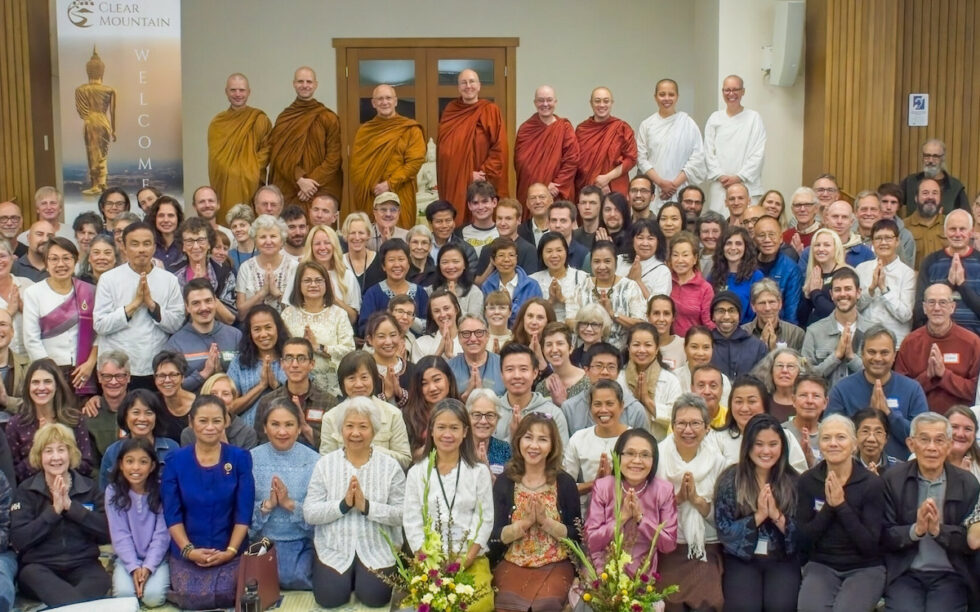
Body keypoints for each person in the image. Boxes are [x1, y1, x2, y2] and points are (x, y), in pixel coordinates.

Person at [305, 398, 405, 608]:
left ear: (374, 430)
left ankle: (360, 579)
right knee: (329, 599)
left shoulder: (390, 466)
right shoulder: (325, 464)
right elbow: (310, 513)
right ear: (341, 429)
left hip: (377, 548)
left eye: (363, 426)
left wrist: (367, 507)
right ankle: (347, 579)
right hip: (334, 548)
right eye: (349, 426)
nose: (355, 433)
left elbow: (401, 514)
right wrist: (342, 505)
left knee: (375, 599)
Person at [162, 395, 255, 610]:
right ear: (191, 421)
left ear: (226, 421)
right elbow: (172, 514)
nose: (210, 427)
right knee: (190, 596)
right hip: (188, 550)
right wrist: (189, 550)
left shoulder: (240, 458)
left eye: (216, 421)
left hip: (229, 548)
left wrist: (230, 551)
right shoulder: (176, 461)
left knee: (229, 592)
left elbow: (244, 512)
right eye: (203, 421)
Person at [404, 399, 495, 612]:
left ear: (465, 432)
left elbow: (485, 519)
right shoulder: (417, 472)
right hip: (430, 560)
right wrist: (426, 559)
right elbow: (411, 521)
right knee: (427, 603)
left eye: (454, 428)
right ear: (432, 431)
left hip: (471, 558)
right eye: (441, 427)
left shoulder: (478, 472)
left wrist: (466, 560)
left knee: (477, 604)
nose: (447, 434)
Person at [883, 413, 979, 611]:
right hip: (904, 572)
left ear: (949, 445)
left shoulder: (967, 483)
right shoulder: (893, 479)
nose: (932, 448)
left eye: (939, 440)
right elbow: (883, 535)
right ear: (911, 444)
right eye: (924, 440)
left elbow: (970, 545)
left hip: (950, 574)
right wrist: (915, 530)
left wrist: (938, 531)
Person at [11, 423, 110, 606]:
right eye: (48, 451)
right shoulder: (26, 490)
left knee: (102, 580)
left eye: (61, 450)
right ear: (39, 456)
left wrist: (72, 509)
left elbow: (107, 532)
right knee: (36, 577)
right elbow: (19, 539)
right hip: (39, 568)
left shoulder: (89, 488)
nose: (55, 457)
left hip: (84, 565)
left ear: (70, 453)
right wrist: (54, 511)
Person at [795, 414, 886, 612]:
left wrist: (841, 506)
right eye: (826, 438)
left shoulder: (872, 483)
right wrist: (829, 507)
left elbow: (870, 545)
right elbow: (802, 539)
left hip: (864, 568)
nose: (833, 443)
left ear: (854, 444)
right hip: (821, 565)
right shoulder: (808, 481)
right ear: (819, 443)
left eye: (841, 437)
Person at [491, 413, 579, 611]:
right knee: (506, 603)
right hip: (513, 561)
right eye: (528, 437)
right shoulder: (505, 482)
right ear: (519, 440)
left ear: (553, 445)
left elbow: (577, 536)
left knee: (546, 605)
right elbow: (494, 536)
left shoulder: (565, 483)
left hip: (555, 563)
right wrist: (523, 524)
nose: (534, 445)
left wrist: (547, 523)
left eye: (543, 439)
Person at [714, 413, 799, 611]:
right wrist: (759, 516)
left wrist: (777, 517)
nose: (766, 451)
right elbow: (724, 529)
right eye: (759, 444)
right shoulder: (730, 479)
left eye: (773, 444)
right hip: (743, 560)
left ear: (782, 446)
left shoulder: (794, 481)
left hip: (781, 559)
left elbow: (804, 533)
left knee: (781, 605)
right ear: (748, 445)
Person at [656, 394, 728, 612]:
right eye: (682, 423)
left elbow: (723, 519)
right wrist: (676, 501)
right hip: (666, 547)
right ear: (672, 425)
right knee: (668, 605)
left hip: (705, 546)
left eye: (695, 423)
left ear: (707, 427)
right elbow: (646, 513)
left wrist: (697, 501)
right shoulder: (656, 458)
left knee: (707, 604)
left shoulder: (719, 462)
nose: (688, 430)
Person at [93, 222, 184, 386]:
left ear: (154, 247)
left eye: (147, 243)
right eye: (135, 244)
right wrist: (133, 305)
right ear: (124, 247)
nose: (141, 249)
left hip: (155, 365)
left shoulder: (169, 280)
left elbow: (176, 324)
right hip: (117, 369)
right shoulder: (108, 279)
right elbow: (100, 325)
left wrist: (151, 306)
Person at [825, 324, 928, 460]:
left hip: (901, 472)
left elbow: (923, 437)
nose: (878, 358)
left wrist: (889, 415)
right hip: (853, 470)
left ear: (894, 356)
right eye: (872, 352)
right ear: (861, 354)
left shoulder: (912, 389)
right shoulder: (842, 389)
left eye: (884, 353)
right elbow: (831, 432)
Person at [585, 428, 678, 577]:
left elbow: (668, 545)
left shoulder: (664, 490)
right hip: (602, 573)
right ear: (618, 456)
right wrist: (621, 517)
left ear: (654, 460)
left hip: (642, 576)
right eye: (630, 453)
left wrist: (641, 519)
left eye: (645, 455)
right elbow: (591, 542)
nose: (637, 460)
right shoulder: (603, 487)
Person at [250, 398, 318, 589]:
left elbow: (319, 517)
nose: (282, 431)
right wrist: (267, 506)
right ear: (264, 427)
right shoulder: (251, 459)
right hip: (262, 540)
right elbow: (243, 515)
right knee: (254, 583)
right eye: (275, 424)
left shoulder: (315, 461)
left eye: (289, 425)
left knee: (293, 578)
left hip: (301, 541)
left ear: (299, 428)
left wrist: (289, 504)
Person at [21, 238, 98, 398]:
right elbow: (31, 339)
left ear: (75, 260)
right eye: (54, 259)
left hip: (84, 369)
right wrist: (49, 371)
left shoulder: (89, 291)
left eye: (66, 258)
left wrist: (90, 364)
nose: (61, 264)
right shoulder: (34, 293)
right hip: (49, 369)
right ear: (46, 263)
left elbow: (100, 333)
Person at [105, 437, 170, 607]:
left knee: (153, 598)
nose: (135, 468)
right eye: (129, 461)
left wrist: (148, 567)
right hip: (126, 559)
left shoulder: (162, 489)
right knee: (125, 597)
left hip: (158, 559)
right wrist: (134, 567)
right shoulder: (113, 491)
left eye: (143, 462)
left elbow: (162, 534)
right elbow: (120, 534)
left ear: (152, 466)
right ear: (121, 464)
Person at [319, 350, 412, 469]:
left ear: (373, 379)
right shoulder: (330, 418)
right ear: (342, 383)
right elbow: (326, 463)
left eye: (364, 377)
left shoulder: (393, 414)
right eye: (351, 378)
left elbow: (405, 460)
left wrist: (370, 450)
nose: (359, 384)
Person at [897, 283, 980, 414]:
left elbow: (976, 392)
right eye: (931, 302)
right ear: (924, 308)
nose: (937, 308)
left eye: (943, 302)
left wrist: (945, 375)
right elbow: (901, 392)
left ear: (952, 307)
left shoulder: (972, 342)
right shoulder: (910, 343)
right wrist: (927, 376)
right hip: (919, 419)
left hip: (959, 423)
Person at [348, 84, 425, 225]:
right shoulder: (365, 131)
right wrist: (370, 186)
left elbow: (415, 162)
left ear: (395, 101)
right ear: (373, 103)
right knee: (371, 237)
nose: (384, 102)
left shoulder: (410, 129)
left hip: (400, 191)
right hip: (372, 194)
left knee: (399, 239)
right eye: (380, 99)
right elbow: (357, 168)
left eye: (388, 98)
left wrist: (390, 183)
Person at [437, 68, 509, 219]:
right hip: (457, 181)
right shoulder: (450, 111)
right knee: (459, 222)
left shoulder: (490, 110)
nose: (468, 86)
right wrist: (466, 174)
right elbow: (444, 152)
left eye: (472, 82)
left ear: (479, 85)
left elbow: (499, 148)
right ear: (458, 87)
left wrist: (481, 173)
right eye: (464, 82)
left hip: (483, 179)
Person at [7, 359, 94, 482]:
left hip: (71, 491)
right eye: (35, 382)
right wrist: (39, 446)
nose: (41, 387)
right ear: (28, 387)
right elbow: (13, 474)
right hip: (31, 495)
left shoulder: (75, 420)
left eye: (47, 381)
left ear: (57, 385)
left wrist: (60, 458)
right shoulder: (16, 424)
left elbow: (86, 466)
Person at [269, 66, 342, 207]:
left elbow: (334, 156)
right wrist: (299, 179)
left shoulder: (328, 117)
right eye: (300, 81)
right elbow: (278, 155)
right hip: (290, 187)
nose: (305, 85)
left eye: (309, 82)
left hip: (319, 188)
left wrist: (311, 182)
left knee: (320, 228)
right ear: (294, 84)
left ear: (315, 84)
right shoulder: (285, 118)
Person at [280, 260, 355, 395]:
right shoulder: (287, 314)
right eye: (307, 281)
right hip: (294, 385)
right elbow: (280, 350)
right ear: (299, 284)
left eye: (318, 280)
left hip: (332, 387)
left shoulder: (339, 314)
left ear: (326, 284)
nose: (313, 285)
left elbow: (349, 350)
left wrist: (318, 348)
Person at [707, 376, 809, 473]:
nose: (744, 408)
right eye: (738, 402)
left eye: (752, 401)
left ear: (764, 404)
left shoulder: (784, 436)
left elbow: (798, 476)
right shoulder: (716, 439)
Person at [207, 73, 271, 219]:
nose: (237, 94)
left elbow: (267, 150)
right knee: (228, 224)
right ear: (226, 92)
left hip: (252, 185)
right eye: (233, 90)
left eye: (241, 90)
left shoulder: (259, 119)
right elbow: (216, 159)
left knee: (252, 227)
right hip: (225, 187)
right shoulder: (217, 123)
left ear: (249, 92)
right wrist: (234, 171)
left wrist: (247, 170)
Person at [252, 336, 335, 449]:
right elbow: (261, 443)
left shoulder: (328, 402)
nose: (294, 364)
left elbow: (332, 448)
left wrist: (304, 427)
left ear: (312, 364)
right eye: (289, 358)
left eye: (301, 358)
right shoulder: (267, 402)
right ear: (282, 364)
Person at [564, 379, 631, 517]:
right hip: (587, 517)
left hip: (626, 516)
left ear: (621, 406)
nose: (603, 410)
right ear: (590, 407)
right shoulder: (578, 439)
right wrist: (594, 484)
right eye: (597, 404)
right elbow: (565, 487)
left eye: (610, 404)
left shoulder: (635, 439)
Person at [636, 79, 705, 212]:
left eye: (671, 94)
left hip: (680, 188)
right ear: (655, 97)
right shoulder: (647, 125)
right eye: (662, 94)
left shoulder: (688, 124)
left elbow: (697, 157)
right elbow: (641, 158)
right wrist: (661, 183)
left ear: (677, 97)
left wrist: (674, 185)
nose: (666, 98)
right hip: (655, 189)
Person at [702, 75, 766, 215]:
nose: (731, 94)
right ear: (722, 91)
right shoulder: (715, 118)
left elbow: (758, 154)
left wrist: (739, 177)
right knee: (718, 227)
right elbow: (708, 152)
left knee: (748, 226)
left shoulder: (753, 118)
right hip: (720, 185)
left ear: (743, 91)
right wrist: (720, 176)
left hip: (747, 183)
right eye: (727, 90)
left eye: (735, 89)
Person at [164, 278, 242, 393]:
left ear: (215, 302)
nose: (204, 308)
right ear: (187, 307)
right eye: (196, 303)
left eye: (208, 301)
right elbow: (171, 387)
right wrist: (204, 373)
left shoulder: (235, 336)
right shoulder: (176, 343)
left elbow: (246, 379)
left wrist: (222, 374)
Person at [914, 208, 980, 335]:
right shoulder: (930, 262)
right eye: (952, 229)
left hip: (976, 342)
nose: (957, 234)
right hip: (937, 338)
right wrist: (948, 284)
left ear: (971, 232)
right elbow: (919, 312)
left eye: (962, 229)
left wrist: (962, 285)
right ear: (944, 231)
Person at [560, 342, 648, 436]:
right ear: (586, 370)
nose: (605, 372)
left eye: (611, 367)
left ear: (618, 372)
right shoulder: (570, 408)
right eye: (598, 366)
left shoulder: (635, 410)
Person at [99, 388, 179, 490]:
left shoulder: (172, 448)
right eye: (136, 412)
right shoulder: (113, 452)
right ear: (125, 415)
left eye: (149, 413)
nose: (142, 418)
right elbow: (104, 493)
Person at [802, 268, 871, 386]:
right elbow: (805, 376)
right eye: (837, 290)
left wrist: (851, 357)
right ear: (831, 295)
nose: (843, 294)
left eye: (848, 289)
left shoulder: (873, 331)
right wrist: (836, 356)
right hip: (826, 401)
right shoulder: (814, 331)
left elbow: (879, 374)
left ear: (858, 293)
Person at [854, 218, 916, 345]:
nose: (883, 243)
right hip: (865, 341)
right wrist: (871, 290)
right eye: (878, 238)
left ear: (897, 241)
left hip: (896, 343)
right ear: (872, 242)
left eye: (888, 238)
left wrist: (884, 290)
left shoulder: (907, 274)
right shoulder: (861, 269)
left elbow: (905, 315)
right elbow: (854, 308)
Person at [574, 240, 646, 348]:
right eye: (597, 261)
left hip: (620, 354)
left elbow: (641, 325)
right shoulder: (582, 287)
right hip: (587, 352)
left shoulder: (630, 287)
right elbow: (571, 321)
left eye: (607, 261)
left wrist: (612, 314)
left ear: (616, 262)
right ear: (591, 264)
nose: (602, 267)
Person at [514, 85, 580, 204]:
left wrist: (557, 185)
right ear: (535, 103)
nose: (545, 104)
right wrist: (541, 189)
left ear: (555, 102)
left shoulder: (564, 128)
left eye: (549, 100)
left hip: (556, 191)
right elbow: (521, 163)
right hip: (532, 192)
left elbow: (572, 160)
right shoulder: (526, 129)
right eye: (541, 100)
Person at [618, 322, 683, 439]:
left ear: (657, 348)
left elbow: (677, 417)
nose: (642, 350)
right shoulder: (619, 378)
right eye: (636, 345)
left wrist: (647, 400)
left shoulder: (670, 380)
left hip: (661, 445)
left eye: (648, 345)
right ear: (628, 348)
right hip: (624, 443)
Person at [495, 342, 569, 445]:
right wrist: (513, 437)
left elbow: (561, 457)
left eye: (523, 369)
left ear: (535, 373)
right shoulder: (492, 411)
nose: (517, 375)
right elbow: (486, 456)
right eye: (510, 369)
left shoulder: (552, 414)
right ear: (501, 374)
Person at [227, 304, 288, 426]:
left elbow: (302, 403)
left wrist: (275, 386)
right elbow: (229, 408)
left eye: (268, 327)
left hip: (284, 435)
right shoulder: (239, 363)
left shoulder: (292, 359)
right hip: (247, 437)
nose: (263, 334)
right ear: (250, 333)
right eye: (257, 329)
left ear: (278, 328)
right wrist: (261, 386)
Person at [168, 217, 237, 324]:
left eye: (201, 240)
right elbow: (174, 319)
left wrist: (204, 287)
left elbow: (230, 318)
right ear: (183, 246)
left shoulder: (225, 272)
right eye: (189, 241)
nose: (196, 247)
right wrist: (191, 291)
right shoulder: (172, 274)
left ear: (209, 244)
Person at [358, 238, 429, 335]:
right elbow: (364, 328)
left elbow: (429, 326)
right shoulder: (373, 293)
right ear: (383, 266)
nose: (397, 265)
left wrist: (408, 318)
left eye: (401, 259)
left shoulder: (420, 293)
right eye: (391, 260)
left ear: (408, 264)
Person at [235, 214, 297, 316]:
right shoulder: (246, 267)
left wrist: (277, 293)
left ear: (282, 241)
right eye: (263, 237)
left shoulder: (294, 267)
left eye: (273, 236)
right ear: (255, 241)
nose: (268, 241)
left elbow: (299, 313)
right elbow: (241, 314)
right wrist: (262, 292)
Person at [403, 356, 459, 459]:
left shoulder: (461, 410)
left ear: (449, 379)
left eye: (437, 380)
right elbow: (408, 457)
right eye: (424, 384)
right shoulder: (409, 415)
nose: (432, 388)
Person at [303, 224, 361, 325]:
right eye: (317, 244)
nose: (322, 247)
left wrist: (334, 299)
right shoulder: (300, 273)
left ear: (334, 246)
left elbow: (353, 319)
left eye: (327, 243)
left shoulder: (347, 276)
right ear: (310, 247)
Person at [480, 237, 542, 326]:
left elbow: (536, 318)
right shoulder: (487, 286)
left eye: (511, 255)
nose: (506, 259)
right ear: (493, 260)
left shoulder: (532, 285)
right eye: (501, 255)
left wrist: (510, 305)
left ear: (517, 258)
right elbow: (485, 318)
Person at [900, 138, 968, 215]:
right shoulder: (910, 182)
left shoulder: (955, 186)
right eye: (927, 156)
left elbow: (966, 216)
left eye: (935, 156)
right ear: (922, 157)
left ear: (943, 158)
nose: (930, 160)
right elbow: (892, 202)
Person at [709, 292, 767, 380]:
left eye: (732, 311)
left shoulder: (757, 347)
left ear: (739, 316)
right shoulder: (706, 345)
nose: (726, 317)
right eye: (720, 311)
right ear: (713, 316)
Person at [530, 232, 587, 323]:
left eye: (559, 250)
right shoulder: (532, 280)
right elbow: (529, 314)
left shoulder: (582, 278)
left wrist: (562, 299)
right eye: (549, 251)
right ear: (541, 254)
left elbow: (588, 311)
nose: (554, 255)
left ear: (566, 252)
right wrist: (550, 301)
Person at [669, 231, 714, 337]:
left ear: (694, 259)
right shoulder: (666, 280)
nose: (680, 260)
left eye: (685, 255)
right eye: (675, 255)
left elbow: (709, 324)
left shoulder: (705, 288)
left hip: (693, 346)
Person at [450, 315, 505, 400]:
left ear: (487, 336)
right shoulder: (448, 368)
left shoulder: (503, 364)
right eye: (466, 333)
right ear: (459, 338)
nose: (473, 338)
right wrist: (465, 397)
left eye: (479, 332)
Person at [800, 227, 848, 325]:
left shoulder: (845, 274)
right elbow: (802, 316)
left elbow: (837, 313)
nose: (821, 249)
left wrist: (815, 292)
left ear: (836, 248)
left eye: (827, 245)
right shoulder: (814, 274)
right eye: (817, 245)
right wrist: (807, 296)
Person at [741, 278, 804, 351]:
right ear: (753, 306)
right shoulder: (742, 333)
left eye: (772, 302)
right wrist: (761, 347)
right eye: (762, 303)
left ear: (780, 303)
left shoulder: (796, 334)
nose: (767, 308)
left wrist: (774, 350)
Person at [616, 218, 671, 301]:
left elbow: (659, 307)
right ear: (632, 240)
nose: (645, 243)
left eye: (650, 238)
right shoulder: (619, 260)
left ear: (658, 242)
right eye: (640, 238)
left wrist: (638, 281)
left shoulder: (663, 271)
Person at [427, 242, 484, 318]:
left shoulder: (474, 292)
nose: (450, 266)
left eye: (455, 261)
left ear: (464, 265)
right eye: (445, 262)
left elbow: (474, 323)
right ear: (438, 266)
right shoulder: (430, 290)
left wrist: (454, 302)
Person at [751, 347, 807, 423]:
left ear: (800, 372)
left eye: (790, 366)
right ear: (771, 370)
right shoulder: (762, 401)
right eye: (780, 365)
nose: (784, 370)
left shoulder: (807, 402)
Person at [673, 326, 731, 397]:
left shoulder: (723, 380)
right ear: (685, 348)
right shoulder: (673, 378)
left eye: (706, 347)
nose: (700, 353)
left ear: (712, 349)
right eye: (694, 347)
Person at [904, 178, 947, 270]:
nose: (930, 197)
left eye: (935, 193)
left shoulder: (951, 225)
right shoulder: (904, 227)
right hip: (914, 282)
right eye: (925, 193)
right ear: (916, 198)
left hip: (945, 282)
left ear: (940, 198)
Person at [467, 389, 511, 477]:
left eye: (490, 415)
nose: (483, 421)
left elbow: (506, 489)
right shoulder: (457, 447)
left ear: (497, 419)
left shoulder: (505, 449)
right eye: (477, 414)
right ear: (467, 417)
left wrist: (487, 471)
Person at [459, 180, 500, 257]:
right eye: (475, 203)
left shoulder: (503, 231)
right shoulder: (459, 233)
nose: (480, 207)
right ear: (469, 205)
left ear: (494, 202)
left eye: (485, 201)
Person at [144, 196, 184, 269]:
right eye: (161, 215)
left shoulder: (186, 244)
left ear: (178, 218)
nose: (166, 220)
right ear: (154, 218)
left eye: (171, 215)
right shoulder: (147, 245)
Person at [648, 294, 685, 370]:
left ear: (673, 317)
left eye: (666, 313)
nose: (661, 319)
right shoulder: (641, 347)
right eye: (656, 313)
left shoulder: (684, 345)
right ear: (648, 316)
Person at [944, 406, 980, 481]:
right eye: (954, 427)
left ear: (974, 434)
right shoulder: (922, 458)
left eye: (968, 429)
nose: (960, 434)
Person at [225, 203, 257, 272]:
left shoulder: (263, 252)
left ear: (251, 226)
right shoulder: (228, 256)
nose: (238, 229)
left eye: (242, 225)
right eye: (234, 226)